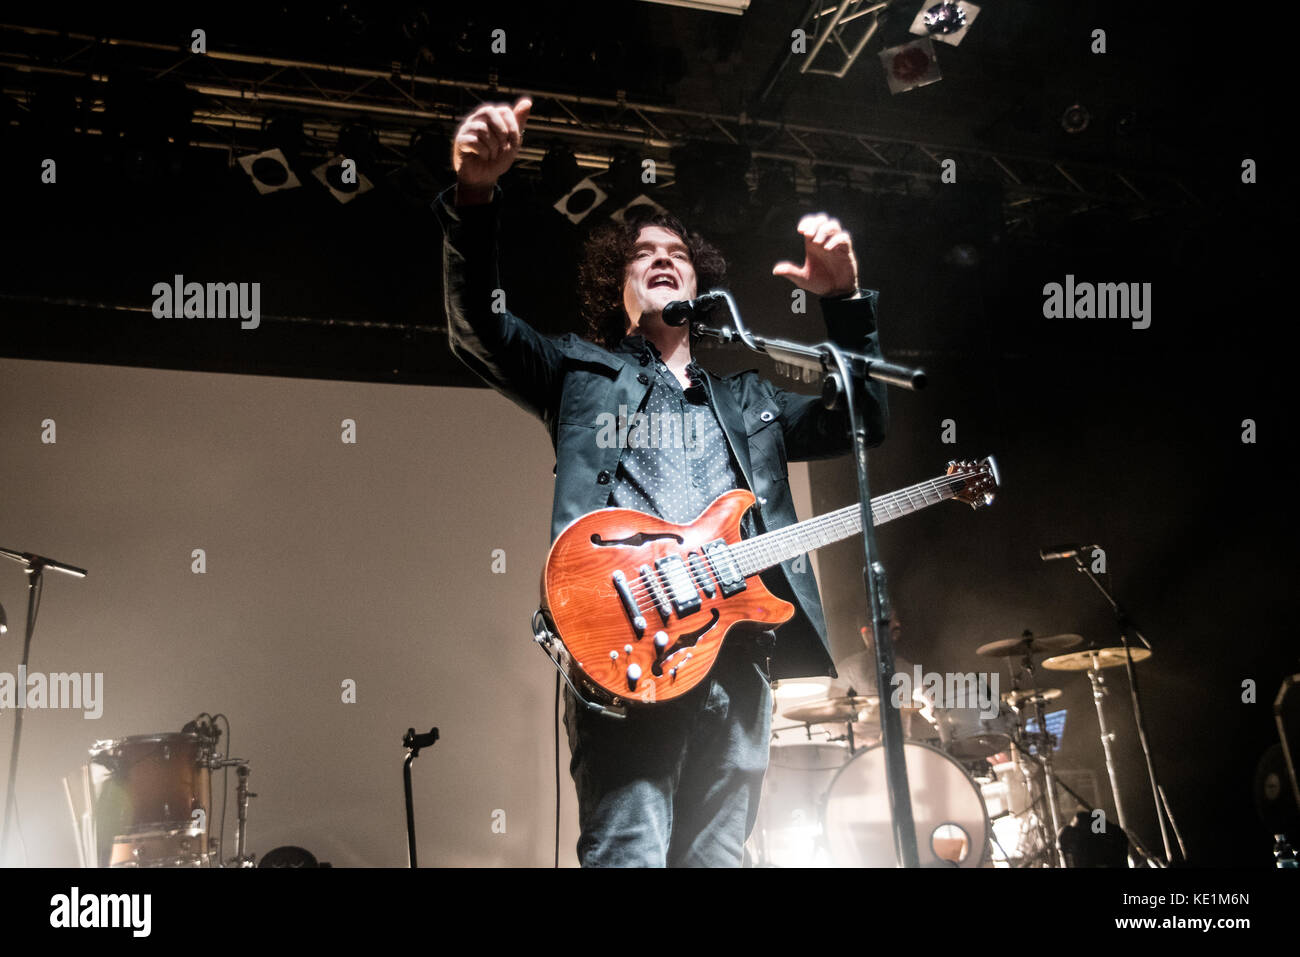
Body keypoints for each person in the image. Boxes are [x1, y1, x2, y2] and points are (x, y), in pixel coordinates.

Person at [435, 96, 889, 867]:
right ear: (620, 288)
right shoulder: (580, 372)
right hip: (628, 656)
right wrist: (475, 198)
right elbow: (477, 325)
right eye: (642, 253)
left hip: (737, 665)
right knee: (629, 854)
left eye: (674, 250)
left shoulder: (746, 399)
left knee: (720, 859)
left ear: (697, 279)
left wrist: (844, 305)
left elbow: (861, 421)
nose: (661, 257)